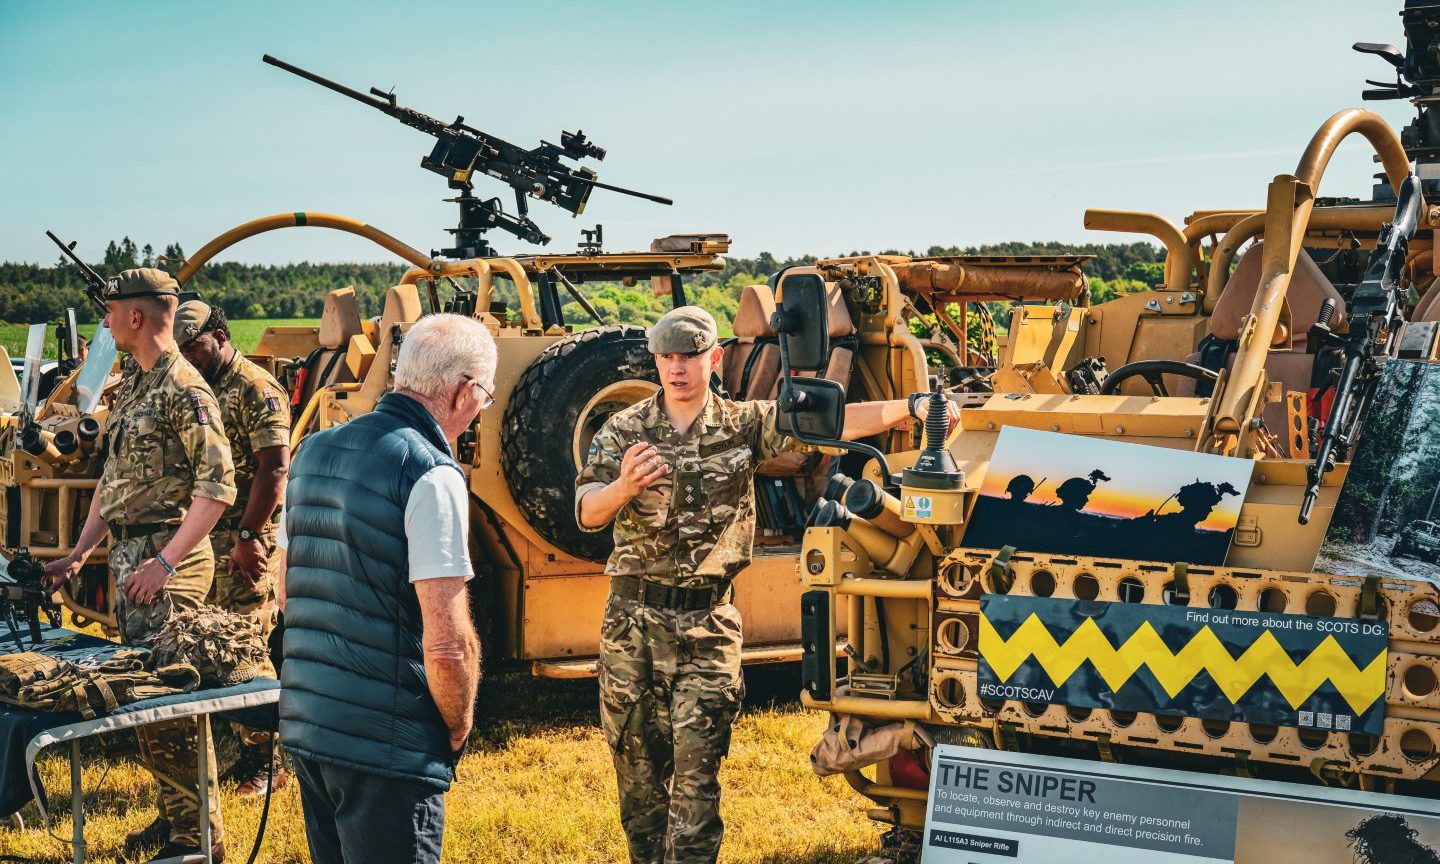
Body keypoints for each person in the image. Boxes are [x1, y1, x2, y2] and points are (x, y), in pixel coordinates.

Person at [575, 305, 957, 864]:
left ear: (715, 358)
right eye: (667, 357)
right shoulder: (624, 430)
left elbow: (832, 422)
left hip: (708, 626)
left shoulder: (743, 424)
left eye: (689, 356)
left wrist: (914, 407)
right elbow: (586, 511)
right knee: (637, 784)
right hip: (632, 628)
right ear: (656, 360)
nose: (677, 368)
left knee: (696, 782)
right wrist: (622, 489)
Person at [277, 313, 495, 864]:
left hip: (311, 724)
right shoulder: (432, 473)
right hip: (387, 746)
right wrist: (459, 722)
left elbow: (286, 592)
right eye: (485, 396)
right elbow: (446, 644)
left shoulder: (311, 453)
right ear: (466, 391)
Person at [42, 268, 235, 863]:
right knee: (149, 705)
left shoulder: (184, 388)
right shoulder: (137, 385)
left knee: (171, 703)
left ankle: (199, 841)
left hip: (165, 561)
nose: (103, 321)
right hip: (133, 557)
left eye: (109, 311)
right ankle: (178, 825)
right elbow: (113, 480)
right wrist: (78, 554)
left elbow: (218, 487)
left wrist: (165, 564)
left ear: (135, 316)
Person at [174, 300, 292, 797]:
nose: (188, 356)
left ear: (221, 337)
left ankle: (267, 758)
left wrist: (247, 538)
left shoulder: (256, 388)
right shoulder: (197, 387)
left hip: (245, 538)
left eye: (195, 346)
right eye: (180, 349)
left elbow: (274, 468)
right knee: (206, 641)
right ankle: (232, 735)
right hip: (203, 538)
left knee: (246, 646)